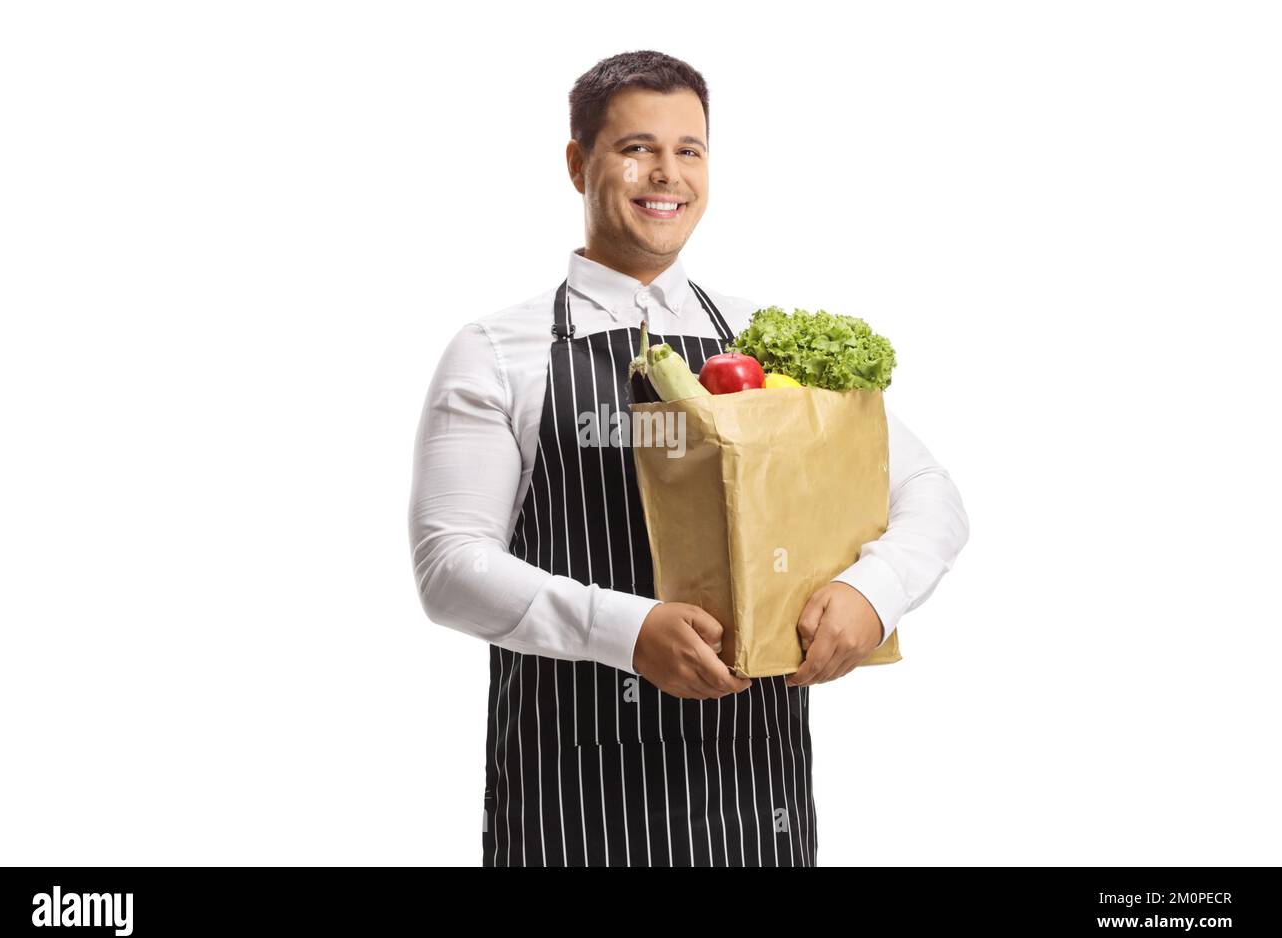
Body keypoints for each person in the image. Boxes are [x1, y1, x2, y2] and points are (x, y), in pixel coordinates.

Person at [408, 50, 970, 867]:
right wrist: (628, 631)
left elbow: (928, 490)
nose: (665, 173)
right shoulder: (498, 351)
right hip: (573, 805)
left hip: (756, 799)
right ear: (579, 163)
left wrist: (871, 592)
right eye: (637, 147)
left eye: (689, 150)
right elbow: (449, 567)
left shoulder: (764, 338)